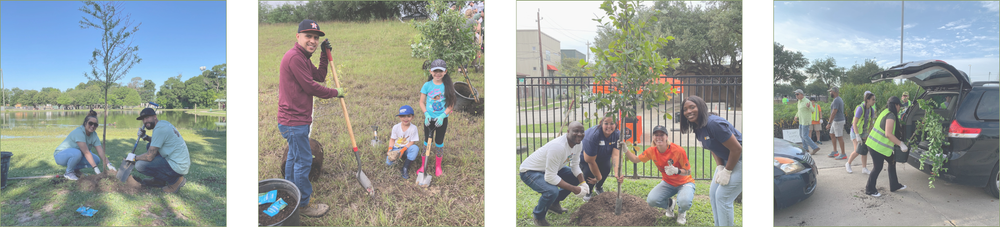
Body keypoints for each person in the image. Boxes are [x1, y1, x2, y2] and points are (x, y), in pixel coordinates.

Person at [277, 19, 346, 217]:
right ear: (297, 36)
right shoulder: (294, 58)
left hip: (296, 120)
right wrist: (335, 92)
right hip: (294, 121)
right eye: (308, 36)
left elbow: (320, 76)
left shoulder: (304, 58)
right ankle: (303, 204)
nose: (313, 41)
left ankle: (289, 193)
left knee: (293, 158)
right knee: (304, 161)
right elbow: (311, 87)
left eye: (316, 38)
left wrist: (324, 55)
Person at [680, 96, 742, 226]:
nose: (688, 111)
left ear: (701, 107)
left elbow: (737, 149)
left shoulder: (714, 124)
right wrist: (720, 167)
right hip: (726, 161)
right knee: (714, 195)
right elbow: (713, 147)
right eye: (685, 109)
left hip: (741, 159)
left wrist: (727, 171)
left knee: (723, 198)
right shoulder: (698, 127)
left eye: (692, 107)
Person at [518, 122, 588, 226]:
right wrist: (574, 189)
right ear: (568, 132)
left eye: (582, 132)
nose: (579, 134)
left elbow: (575, 165)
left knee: (574, 177)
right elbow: (550, 177)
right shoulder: (558, 147)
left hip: (550, 168)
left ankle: (553, 204)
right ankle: (539, 217)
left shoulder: (578, 144)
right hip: (530, 171)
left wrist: (582, 182)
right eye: (575, 131)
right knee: (551, 191)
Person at [620, 125, 694, 224]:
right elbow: (635, 159)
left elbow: (689, 171)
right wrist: (625, 150)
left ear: (666, 136)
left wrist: (677, 171)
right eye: (656, 135)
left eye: (662, 134)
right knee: (652, 200)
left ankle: (681, 212)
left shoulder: (678, 150)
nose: (659, 137)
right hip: (668, 183)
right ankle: (670, 204)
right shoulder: (651, 151)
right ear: (653, 137)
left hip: (685, 182)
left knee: (684, 201)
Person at [133, 108, 190, 193]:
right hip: (179, 160)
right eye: (143, 119)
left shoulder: (160, 129)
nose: (145, 121)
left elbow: (149, 157)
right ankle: (159, 181)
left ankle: (175, 180)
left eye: (147, 117)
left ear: (154, 117)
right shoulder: (163, 123)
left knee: (140, 165)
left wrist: (134, 157)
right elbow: (157, 140)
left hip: (178, 165)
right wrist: (145, 137)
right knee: (149, 146)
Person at [53, 109, 116, 180]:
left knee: (96, 160)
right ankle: (68, 172)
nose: (92, 126)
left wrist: (109, 164)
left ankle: (75, 171)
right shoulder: (79, 132)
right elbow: (86, 153)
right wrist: (96, 169)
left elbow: (100, 151)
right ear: (85, 123)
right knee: (78, 153)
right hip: (60, 156)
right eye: (90, 123)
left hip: (76, 154)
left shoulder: (94, 135)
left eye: (95, 125)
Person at [864, 97, 909, 197]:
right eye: (899, 106)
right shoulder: (891, 115)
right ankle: (870, 189)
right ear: (896, 105)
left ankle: (894, 185)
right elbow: (888, 134)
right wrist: (900, 144)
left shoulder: (885, 111)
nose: (899, 109)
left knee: (892, 162)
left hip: (879, 146)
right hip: (876, 147)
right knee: (877, 167)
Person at [420, 59, 456, 177]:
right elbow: (421, 102)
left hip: (441, 119)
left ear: (445, 72)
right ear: (431, 71)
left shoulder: (447, 86)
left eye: (440, 71)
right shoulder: (427, 85)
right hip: (429, 119)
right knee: (427, 141)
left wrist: (442, 115)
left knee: (439, 142)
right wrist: (426, 114)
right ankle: (423, 165)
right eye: (435, 71)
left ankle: (438, 166)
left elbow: (451, 105)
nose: (437, 74)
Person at [579, 116, 621, 200]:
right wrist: (598, 177)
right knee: (589, 172)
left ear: (616, 124)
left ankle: (598, 187)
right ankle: (588, 191)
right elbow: (590, 160)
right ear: (601, 123)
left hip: (603, 156)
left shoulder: (617, 134)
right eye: (606, 123)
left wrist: (616, 173)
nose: (609, 126)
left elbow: (615, 154)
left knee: (606, 168)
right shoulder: (593, 136)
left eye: (612, 123)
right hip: (587, 159)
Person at [386, 105, 421, 179]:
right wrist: (390, 149)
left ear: (412, 117)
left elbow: (412, 142)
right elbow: (392, 139)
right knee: (388, 163)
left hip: (407, 148)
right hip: (397, 148)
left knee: (415, 148)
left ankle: (405, 167)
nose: (405, 118)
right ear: (399, 117)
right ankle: (399, 157)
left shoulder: (413, 128)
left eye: (408, 116)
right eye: (403, 116)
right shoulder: (396, 127)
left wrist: (403, 150)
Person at [846, 91, 876, 174]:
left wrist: (869, 134)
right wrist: (857, 135)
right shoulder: (860, 108)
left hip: (864, 132)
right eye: (873, 100)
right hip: (856, 132)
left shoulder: (871, 110)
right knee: (857, 150)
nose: (874, 101)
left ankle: (864, 168)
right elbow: (854, 123)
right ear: (868, 100)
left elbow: (870, 124)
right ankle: (848, 164)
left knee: (864, 150)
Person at [792, 89, 820, 154]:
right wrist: (796, 116)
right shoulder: (799, 101)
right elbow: (799, 110)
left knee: (805, 136)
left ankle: (815, 147)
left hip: (806, 121)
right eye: (795, 94)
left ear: (802, 94)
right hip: (801, 121)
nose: (796, 96)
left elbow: (813, 110)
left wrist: (809, 107)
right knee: (801, 135)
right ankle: (805, 149)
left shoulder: (807, 101)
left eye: (797, 94)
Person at [826, 87, 847, 160]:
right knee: (832, 134)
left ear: (834, 92)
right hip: (835, 121)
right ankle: (835, 151)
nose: (830, 93)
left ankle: (843, 154)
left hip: (838, 121)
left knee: (839, 137)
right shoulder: (837, 99)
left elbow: (834, 112)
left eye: (830, 92)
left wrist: (829, 123)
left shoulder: (836, 100)